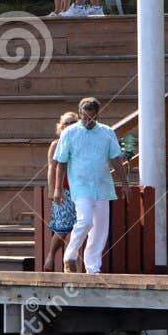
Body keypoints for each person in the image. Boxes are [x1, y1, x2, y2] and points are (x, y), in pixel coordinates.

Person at [53, 96, 129, 274]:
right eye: (85, 117)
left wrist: (124, 182)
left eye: (92, 118)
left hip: (102, 186)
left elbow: (115, 158)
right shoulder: (69, 133)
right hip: (80, 185)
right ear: (80, 114)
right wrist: (57, 188)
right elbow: (61, 162)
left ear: (98, 115)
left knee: (100, 229)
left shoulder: (107, 132)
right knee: (85, 221)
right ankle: (70, 256)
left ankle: (93, 267)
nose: (88, 121)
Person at [44, 111, 80, 271]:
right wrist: (52, 190)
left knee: (80, 226)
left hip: (80, 189)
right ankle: (51, 255)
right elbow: (51, 168)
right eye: (67, 123)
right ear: (61, 126)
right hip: (63, 189)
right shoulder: (56, 144)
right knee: (62, 227)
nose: (70, 126)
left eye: (73, 123)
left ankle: (72, 260)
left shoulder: (81, 142)